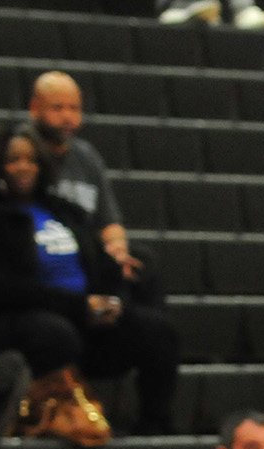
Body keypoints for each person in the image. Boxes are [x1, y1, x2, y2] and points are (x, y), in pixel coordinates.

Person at [0, 124, 178, 435]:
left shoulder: (64, 212)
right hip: (18, 323)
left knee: (158, 332)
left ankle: (155, 426)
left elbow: (104, 266)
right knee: (56, 333)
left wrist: (112, 303)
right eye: (13, 160)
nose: (24, 167)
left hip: (84, 320)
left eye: (31, 160)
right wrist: (78, 306)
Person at [29, 73, 162, 308]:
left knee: (141, 261)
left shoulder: (87, 157)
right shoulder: (23, 155)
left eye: (74, 108)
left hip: (88, 249)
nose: (67, 117)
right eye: (57, 108)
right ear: (35, 109)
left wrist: (117, 247)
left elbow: (109, 221)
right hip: (46, 246)